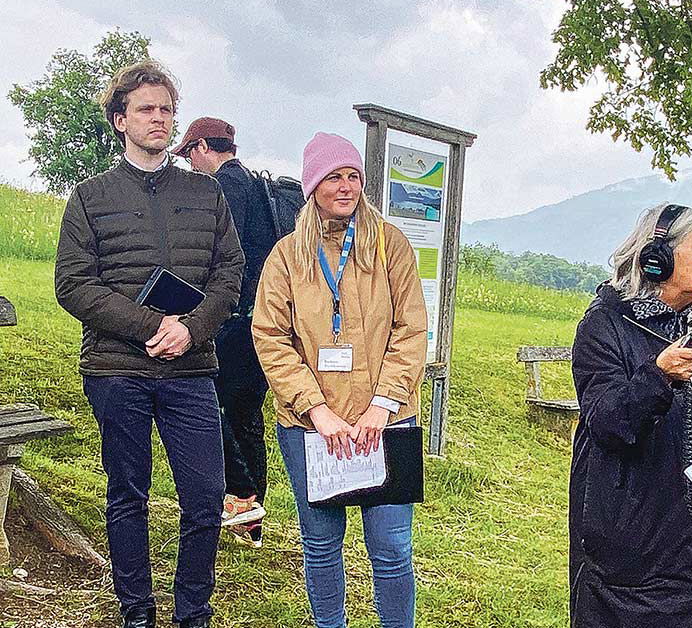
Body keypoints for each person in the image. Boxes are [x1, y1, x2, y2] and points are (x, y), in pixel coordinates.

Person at [54, 61, 243, 628]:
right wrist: (149, 326)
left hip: (191, 370)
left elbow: (230, 273)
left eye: (166, 109)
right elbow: (73, 284)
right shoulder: (90, 197)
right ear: (120, 121)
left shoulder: (206, 195)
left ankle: (194, 614)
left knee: (206, 499)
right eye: (146, 109)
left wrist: (191, 327)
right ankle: (137, 613)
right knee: (127, 497)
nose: (159, 118)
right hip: (117, 370)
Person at [252, 132, 427, 628]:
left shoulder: (389, 244)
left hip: (386, 421)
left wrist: (384, 404)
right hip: (310, 427)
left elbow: (412, 328)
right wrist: (317, 410)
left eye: (354, 176)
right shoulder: (287, 256)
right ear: (312, 186)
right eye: (334, 176)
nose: (346, 186)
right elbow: (270, 336)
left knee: (392, 547)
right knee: (321, 544)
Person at [569, 203, 692, 628]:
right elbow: (608, 424)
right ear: (659, 259)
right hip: (632, 567)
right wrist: (658, 376)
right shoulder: (604, 326)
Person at [172, 116, 296, 547]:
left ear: (204, 146)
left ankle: (239, 497)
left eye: (190, 154)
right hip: (268, 324)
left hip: (232, 321)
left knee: (205, 404)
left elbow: (217, 259)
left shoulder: (220, 189)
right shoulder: (262, 188)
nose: (190, 165)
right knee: (247, 417)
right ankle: (251, 523)